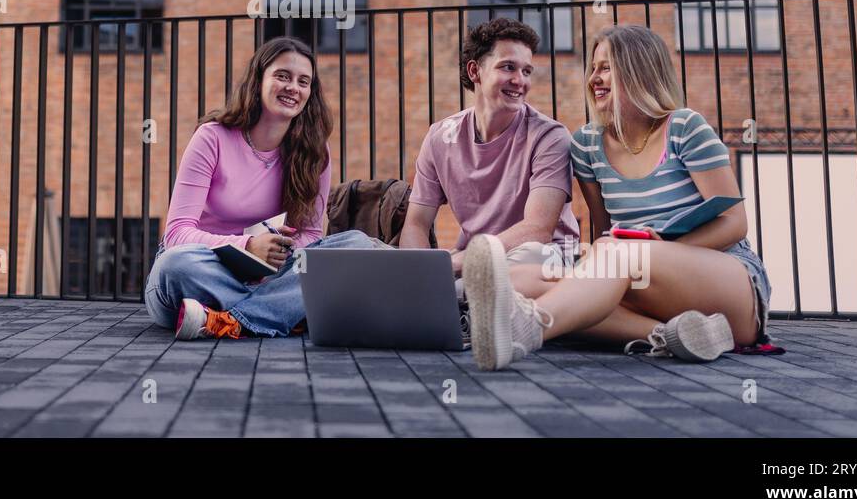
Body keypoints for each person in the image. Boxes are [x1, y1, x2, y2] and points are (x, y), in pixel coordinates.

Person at [463, 24, 773, 371]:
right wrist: (614, 256)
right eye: (593, 68)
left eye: (607, 67)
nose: (594, 78)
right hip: (641, 279)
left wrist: (664, 248)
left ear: (640, 71)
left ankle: (529, 327)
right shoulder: (587, 145)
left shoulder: (685, 127)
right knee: (519, 278)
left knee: (613, 252)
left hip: (728, 281)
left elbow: (735, 223)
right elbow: (603, 231)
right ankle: (670, 335)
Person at [144, 36, 375, 340]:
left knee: (357, 245)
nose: (293, 87)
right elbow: (176, 234)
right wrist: (249, 246)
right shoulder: (212, 137)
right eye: (282, 76)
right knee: (175, 265)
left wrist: (280, 255)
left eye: (303, 81)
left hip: (268, 276)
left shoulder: (315, 152)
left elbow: (310, 234)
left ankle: (230, 321)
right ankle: (285, 311)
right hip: (204, 273)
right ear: (258, 80)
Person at [400, 18, 577, 302]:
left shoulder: (550, 137)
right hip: (473, 262)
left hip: (541, 258)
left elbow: (538, 230)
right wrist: (422, 270)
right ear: (475, 71)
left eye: (527, 71)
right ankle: (450, 299)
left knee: (532, 255)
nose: (520, 81)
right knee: (365, 248)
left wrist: (454, 264)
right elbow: (416, 224)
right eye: (508, 67)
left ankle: (448, 300)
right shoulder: (440, 137)